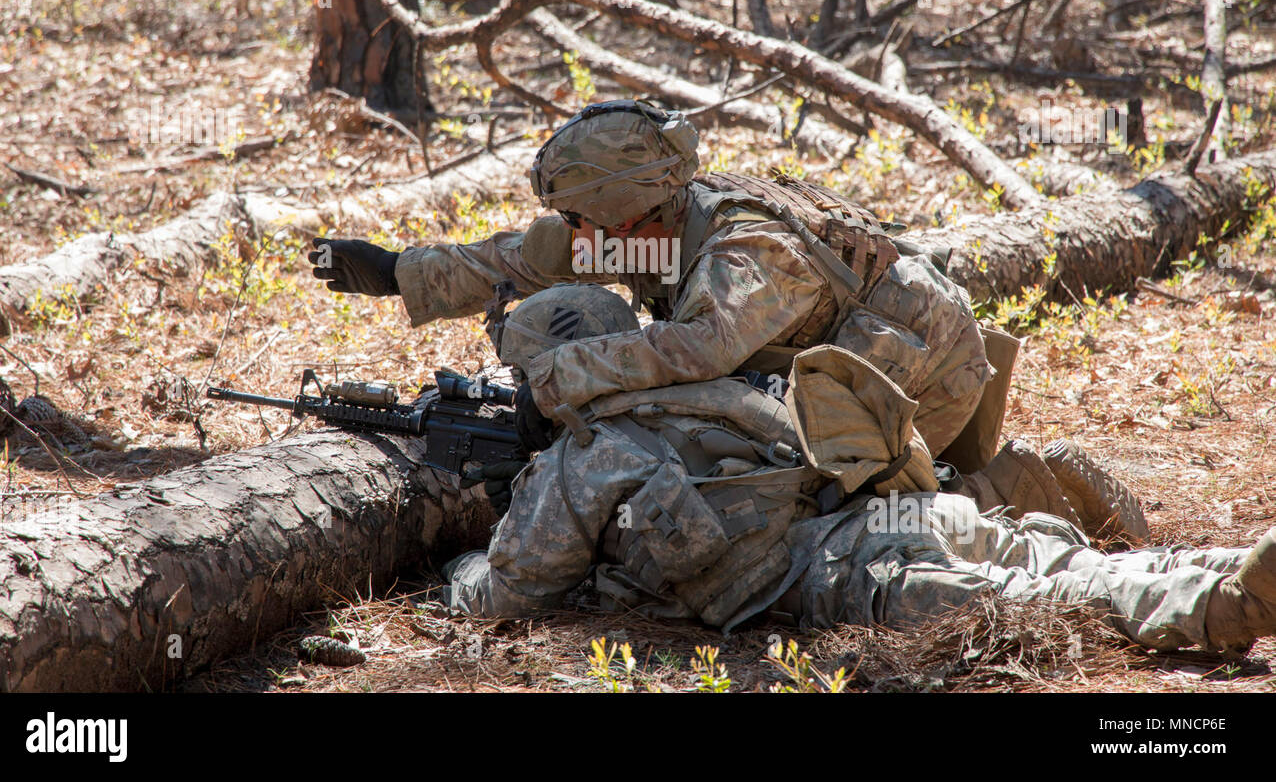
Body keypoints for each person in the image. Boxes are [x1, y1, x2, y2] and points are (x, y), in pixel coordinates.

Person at [308, 98, 1143, 538]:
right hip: (853, 349)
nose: (575, 240)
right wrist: (393, 274)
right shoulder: (649, 227)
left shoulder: (741, 253)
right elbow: (527, 260)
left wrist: (558, 378)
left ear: (625, 219)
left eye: (582, 224)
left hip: (921, 370)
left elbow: (699, 348)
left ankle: (1005, 492)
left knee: (769, 506)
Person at [441, 283, 1276, 656]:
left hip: (849, 570)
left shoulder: (591, 456)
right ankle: (1220, 567)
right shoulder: (725, 379)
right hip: (908, 512)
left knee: (1044, 595)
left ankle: (1225, 605)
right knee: (1061, 560)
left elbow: (508, 594)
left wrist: (460, 563)